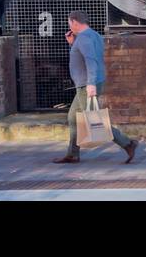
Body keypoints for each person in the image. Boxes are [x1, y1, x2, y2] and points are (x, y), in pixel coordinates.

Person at [52, 11, 138, 164]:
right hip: (89, 82)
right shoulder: (93, 35)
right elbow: (89, 56)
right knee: (73, 117)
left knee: (94, 120)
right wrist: (73, 43)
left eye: (69, 22)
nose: (69, 26)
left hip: (87, 84)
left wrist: (90, 83)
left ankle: (127, 143)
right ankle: (72, 154)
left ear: (74, 22)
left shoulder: (84, 38)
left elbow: (91, 61)